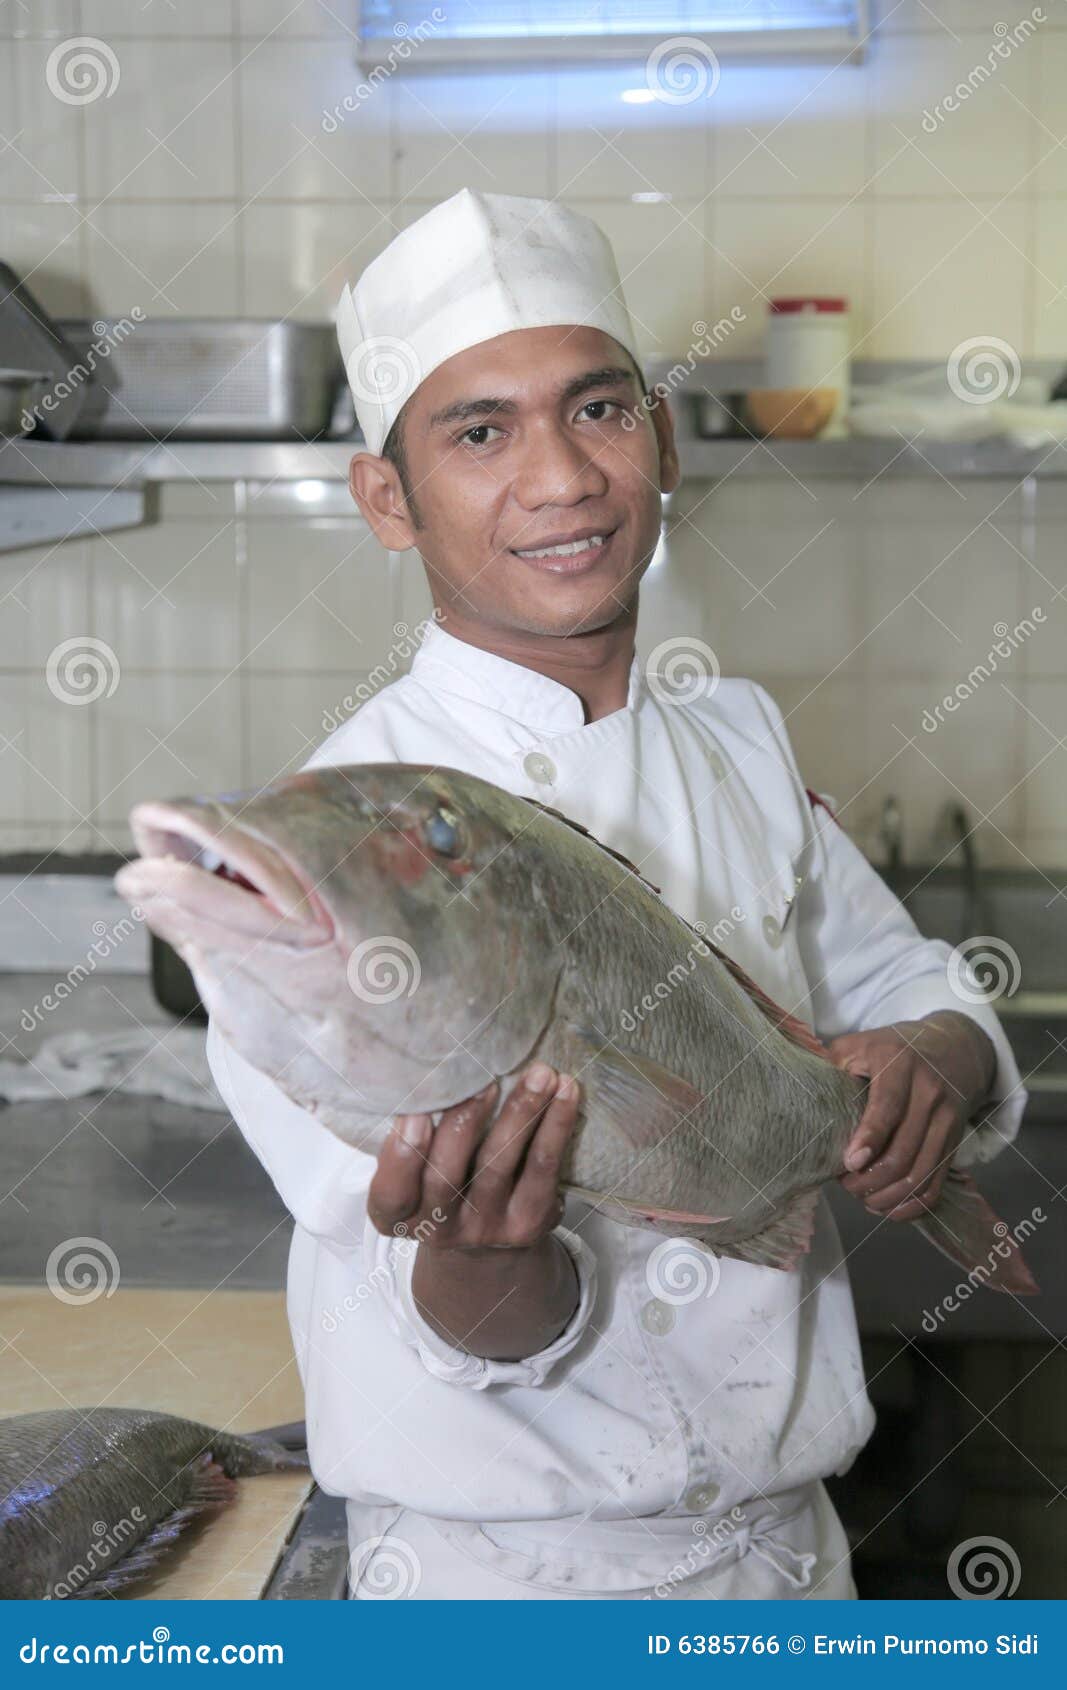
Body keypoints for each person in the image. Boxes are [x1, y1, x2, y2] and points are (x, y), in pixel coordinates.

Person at [205, 188, 1026, 1601]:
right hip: (504, 1586)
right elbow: (449, 1321)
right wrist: (481, 1255)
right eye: (480, 432)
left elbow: (913, 989)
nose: (563, 478)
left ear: (660, 437)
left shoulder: (736, 738)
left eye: (595, 411)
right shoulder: (328, 874)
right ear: (386, 500)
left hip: (785, 1564)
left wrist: (933, 1066)